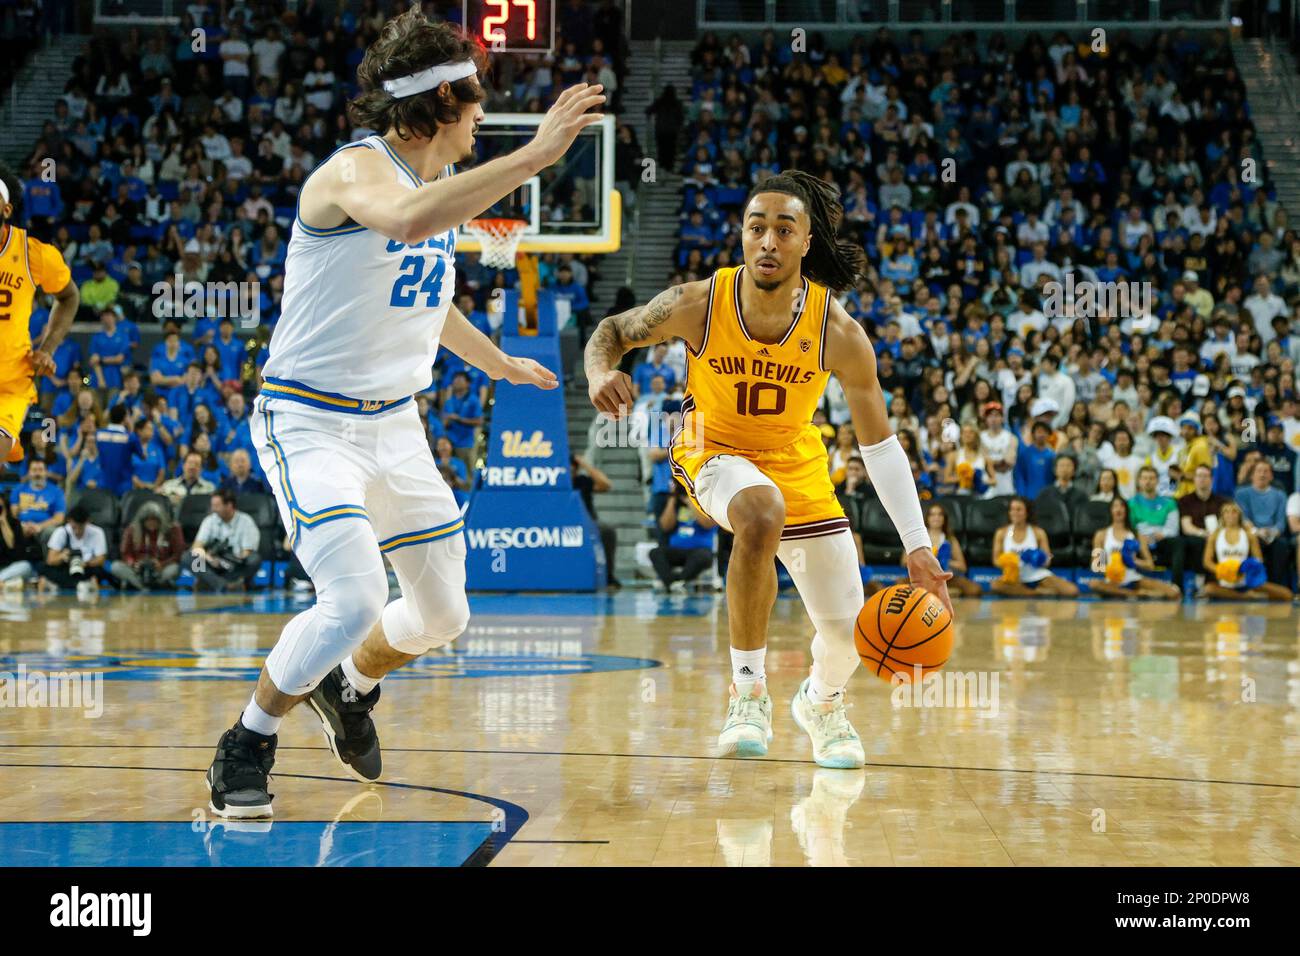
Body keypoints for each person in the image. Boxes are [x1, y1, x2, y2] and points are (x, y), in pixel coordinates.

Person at [205, 9, 603, 819]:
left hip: (394, 424)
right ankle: (247, 741)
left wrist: (495, 360)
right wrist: (536, 156)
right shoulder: (354, 174)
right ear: (436, 105)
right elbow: (411, 224)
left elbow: (427, 299)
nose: (486, 117)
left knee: (444, 613)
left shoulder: (427, 190)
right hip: (309, 420)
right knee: (351, 599)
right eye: (476, 102)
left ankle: (351, 686)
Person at [585, 169, 950, 769]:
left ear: (807, 241)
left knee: (846, 637)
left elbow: (880, 446)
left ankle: (822, 703)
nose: (769, 242)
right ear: (742, 235)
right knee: (759, 511)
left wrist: (916, 545)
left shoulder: (840, 333)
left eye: (785, 229)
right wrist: (601, 373)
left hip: (798, 464)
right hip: (714, 451)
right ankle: (748, 692)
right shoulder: (698, 304)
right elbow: (613, 331)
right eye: (757, 227)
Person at [0, 162, 80, 467]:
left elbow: (69, 296)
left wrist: (47, 348)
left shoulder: (34, 254)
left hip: (9, 383)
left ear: (6, 210)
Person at [1088, 497, 1180, 600]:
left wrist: (1133, 561)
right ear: (1110, 510)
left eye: (1122, 506)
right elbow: (1096, 566)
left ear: (1127, 510)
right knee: (1094, 584)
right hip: (1112, 580)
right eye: (1115, 506)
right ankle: (1136, 594)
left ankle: (1128, 593)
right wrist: (1111, 567)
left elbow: (1150, 565)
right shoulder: (1101, 534)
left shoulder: (1137, 535)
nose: (1119, 509)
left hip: (1133, 579)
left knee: (1173, 593)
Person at [1203, 501, 1292, 601]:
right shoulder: (1215, 535)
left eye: (1234, 512)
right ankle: (1247, 597)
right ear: (1222, 515)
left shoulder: (1249, 534)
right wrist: (1221, 570)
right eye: (1226, 512)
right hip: (1224, 580)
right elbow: (1207, 561)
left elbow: (1259, 559)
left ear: (1239, 515)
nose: (1230, 515)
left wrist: (1247, 568)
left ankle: (1244, 594)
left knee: (1287, 594)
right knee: (1208, 589)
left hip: (1245, 580)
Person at [989, 496, 1078, 596]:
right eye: (1012, 509)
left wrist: (1039, 558)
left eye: (1019, 510)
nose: (1014, 513)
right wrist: (1008, 561)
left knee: (1072, 590)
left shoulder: (1038, 532)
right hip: (1013, 576)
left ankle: (1025, 591)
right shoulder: (1001, 532)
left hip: (1036, 575)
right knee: (995, 585)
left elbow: (1048, 560)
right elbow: (995, 560)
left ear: (1027, 512)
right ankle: (1036, 592)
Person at [186, 490, 262, 593]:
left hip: (234, 565)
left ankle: (212, 582)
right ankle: (224, 585)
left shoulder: (246, 521)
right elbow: (197, 546)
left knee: (254, 559)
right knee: (189, 557)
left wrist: (231, 561)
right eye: (212, 505)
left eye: (217, 506)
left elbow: (247, 552)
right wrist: (209, 558)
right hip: (212, 563)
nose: (213, 509)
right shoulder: (209, 520)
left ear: (229, 505)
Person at [1234, 459, 1291, 585]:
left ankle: (1277, 586)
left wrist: (1271, 533)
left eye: (1266, 471)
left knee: (1281, 545)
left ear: (1271, 476)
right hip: (1251, 533)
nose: (1262, 474)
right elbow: (1243, 519)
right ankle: (1251, 584)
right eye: (1259, 471)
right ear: (1252, 475)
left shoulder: (1280, 495)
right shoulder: (1241, 494)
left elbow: (1281, 523)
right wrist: (1256, 532)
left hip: (1273, 535)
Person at [650, 485, 717, 591]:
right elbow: (665, 526)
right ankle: (671, 583)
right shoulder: (677, 506)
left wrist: (690, 501)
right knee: (655, 553)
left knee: (702, 557)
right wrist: (672, 498)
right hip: (677, 550)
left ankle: (680, 581)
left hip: (699, 550)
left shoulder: (706, 505)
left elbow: (707, 524)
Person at [570, 453, 621, 588]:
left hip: (588, 523)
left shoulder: (582, 481)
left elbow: (606, 484)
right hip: (564, 523)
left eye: (573, 467)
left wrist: (585, 464)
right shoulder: (553, 482)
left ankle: (608, 577)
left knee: (607, 531)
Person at [1129, 465, 1186, 586]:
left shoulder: (1169, 503)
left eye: (1151, 478)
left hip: (1162, 540)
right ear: (1139, 481)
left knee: (1178, 542)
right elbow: (1129, 528)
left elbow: (1173, 528)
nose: (1148, 481)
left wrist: (1162, 534)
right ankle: (1098, 573)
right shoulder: (1130, 503)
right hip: (1138, 541)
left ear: (1157, 481)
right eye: (1144, 478)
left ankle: (1177, 587)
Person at [37, 504, 109, 599]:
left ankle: (59, 585)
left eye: (81, 527)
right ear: (69, 521)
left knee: (100, 571)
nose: (77, 531)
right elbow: (50, 560)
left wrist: (86, 563)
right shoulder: (61, 532)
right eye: (74, 527)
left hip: (86, 568)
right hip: (66, 567)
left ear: (87, 522)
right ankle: (81, 585)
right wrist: (61, 557)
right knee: (42, 567)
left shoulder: (97, 532)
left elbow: (101, 559)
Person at [110, 500, 185, 590]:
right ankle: (143, 586)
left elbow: (178, 555)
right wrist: (133, 563)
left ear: (161, 520)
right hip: (137, 570)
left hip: (162, 568)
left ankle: (147, 585)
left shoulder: (173, 529)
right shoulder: (132, 530)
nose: (151, 523)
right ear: (142, 521)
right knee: (116, 566)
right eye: (148, 520)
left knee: (174, 569)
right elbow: (125, 553)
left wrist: (162, 564)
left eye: (154, 520)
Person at [1178, 463, 1229, 580]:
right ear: (1194, 479)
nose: (1202, 479)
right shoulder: (1185, 501)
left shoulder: (1222, 501)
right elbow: (1187, 527)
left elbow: (1228, 522)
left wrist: (1215, 535)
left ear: (1211, 479)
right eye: (1199, 476)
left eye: (1205, 476)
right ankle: (1200, 578)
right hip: (1196, 537)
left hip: (1217, 535)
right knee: (1200, 542)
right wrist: (1203, 533)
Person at [922, 502, 981, 597]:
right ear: (927, 518)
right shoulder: (920, 537)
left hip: (946, 578)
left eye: (940, 514)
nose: (936, 517)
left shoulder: (950, 539)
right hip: (924, 577)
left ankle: (938, 592)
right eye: (933, 514)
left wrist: (946, 561)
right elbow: (905, 561)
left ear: (944, 519)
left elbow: (963, 566)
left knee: (975, 589)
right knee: (900, 583)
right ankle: (944, 592)